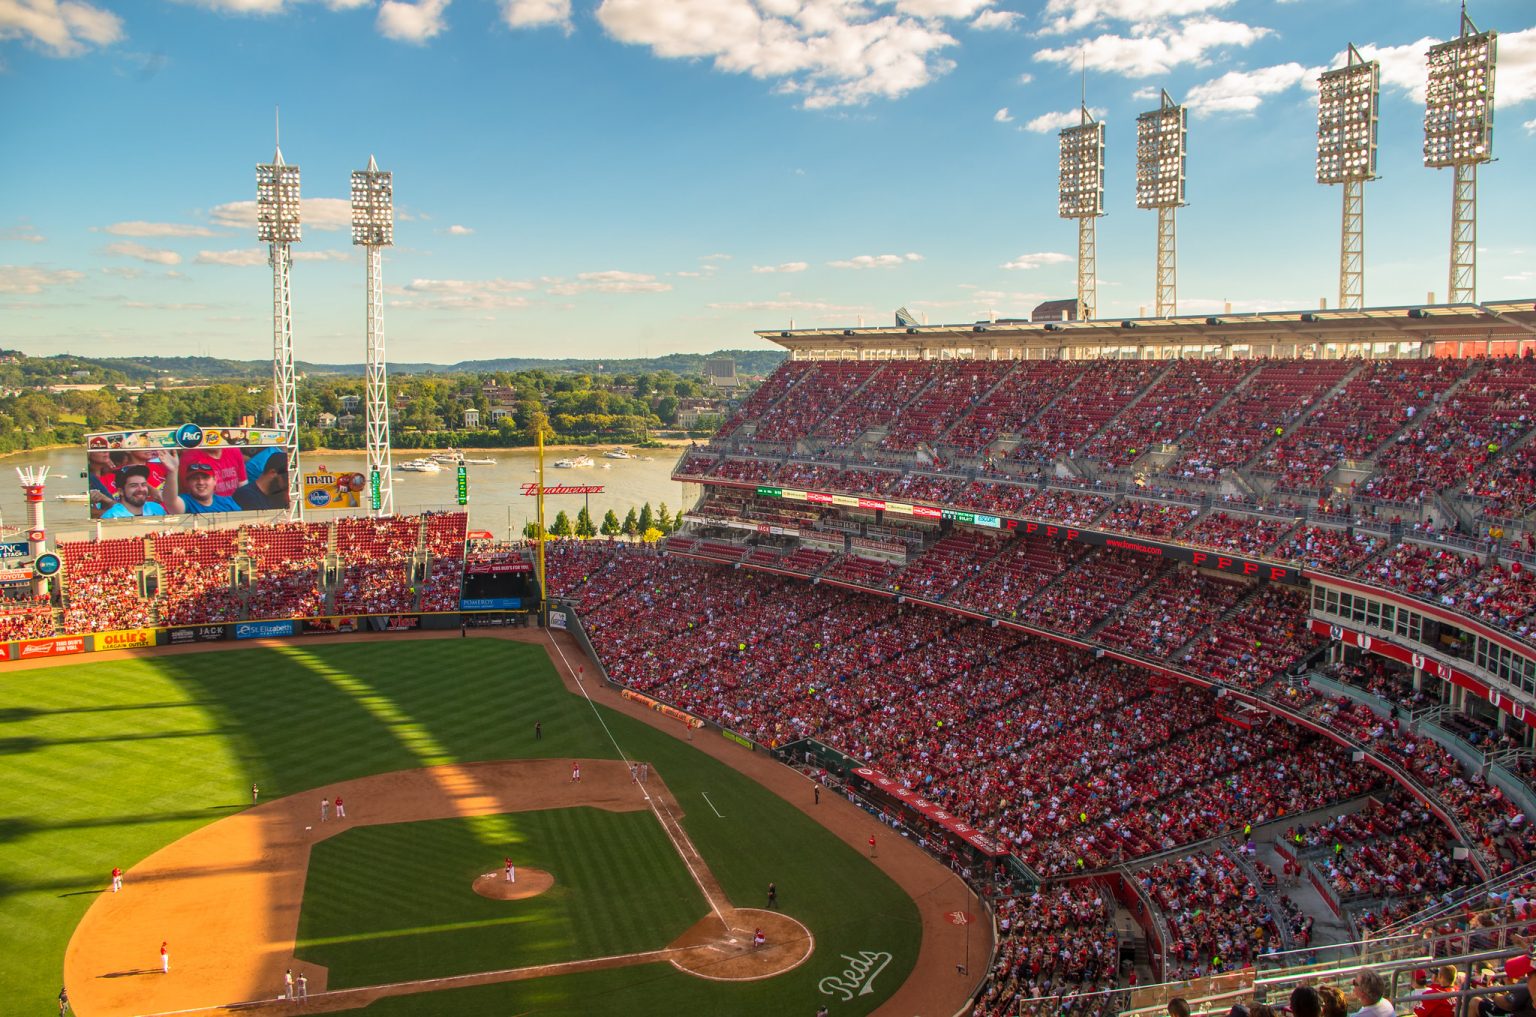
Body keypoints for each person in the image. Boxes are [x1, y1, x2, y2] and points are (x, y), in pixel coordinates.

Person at [160, 450, 242, 515]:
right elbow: (170, 502)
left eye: (205, 478)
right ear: (188, 483)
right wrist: (173, 471)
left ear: (215, 481)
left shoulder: (227, 502)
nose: (201, 482)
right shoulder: (186, 502)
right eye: (195, 478)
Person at [100, 465, 168, 519]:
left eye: (143, 485)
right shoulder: (111, 517)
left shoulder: (156, 508)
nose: (141, 489)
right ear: (121, 491)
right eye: (134, 486)